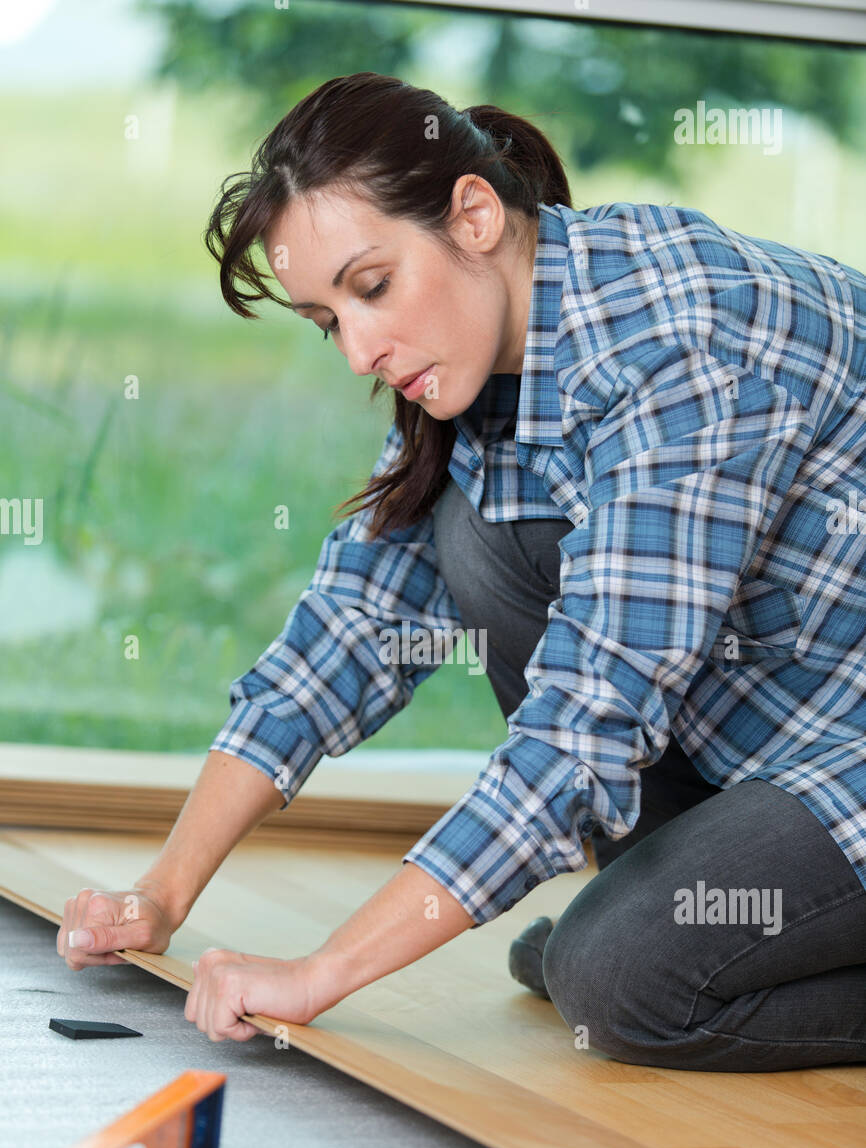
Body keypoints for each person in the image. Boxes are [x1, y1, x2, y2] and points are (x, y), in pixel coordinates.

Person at [58, 72, 866, 1072]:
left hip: (847, 746)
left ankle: (645, 936)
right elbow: (351, 627)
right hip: (787, 712)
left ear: (473, 216)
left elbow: (585, 725)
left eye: (371, 287)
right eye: (327, 321)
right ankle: (658, 915)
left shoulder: (679, 344)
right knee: (470, 532)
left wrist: (320, 973)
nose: (358, 351)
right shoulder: (486, 360)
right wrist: (163, 892)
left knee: (622, 982)